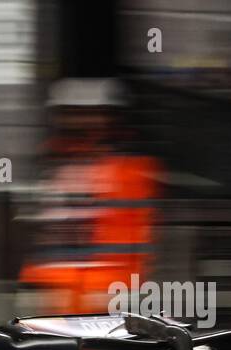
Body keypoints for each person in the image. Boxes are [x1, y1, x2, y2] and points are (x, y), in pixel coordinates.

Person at [18, 78, 161, 315]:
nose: (84, 123)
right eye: (74, 114)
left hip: (109, 294)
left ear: (111, 120)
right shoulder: (46, 168)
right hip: (51, 293)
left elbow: (140, 237)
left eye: (93, 114)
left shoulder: (132, 171)